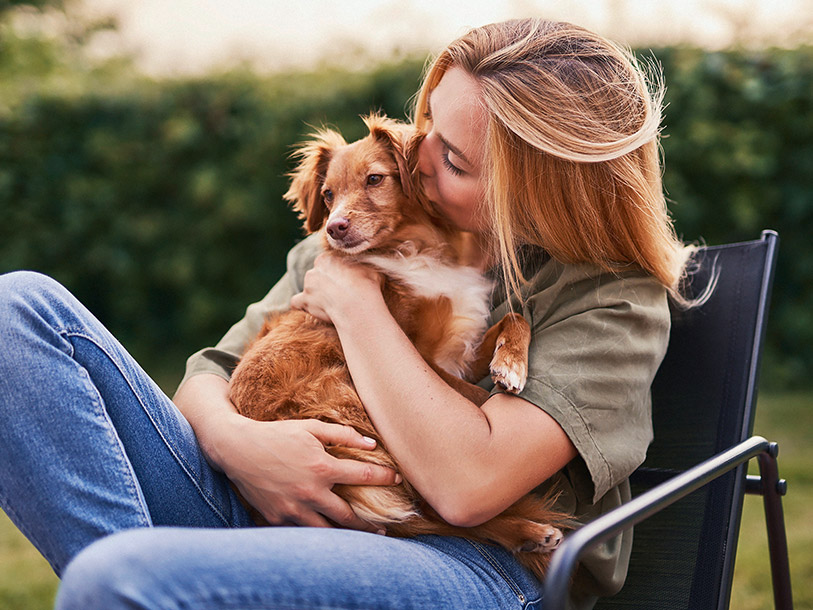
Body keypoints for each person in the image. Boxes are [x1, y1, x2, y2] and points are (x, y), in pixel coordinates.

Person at [0, 18, 694, 610]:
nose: (416, 159)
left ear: (535, 182)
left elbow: (467, 484)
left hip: (469, 560)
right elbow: (207, 379)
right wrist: (246, 449)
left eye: (451, 158)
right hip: (268, 506)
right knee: (15, 309)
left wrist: (358, 303)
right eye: (427, 129)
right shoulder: (364, 233)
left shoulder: (606, 297)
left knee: (114, 577)